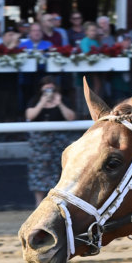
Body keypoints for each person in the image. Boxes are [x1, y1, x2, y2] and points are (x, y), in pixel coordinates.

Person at [25, 76, 75, 206]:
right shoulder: (35, 100)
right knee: (39, 174)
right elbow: (30, 116)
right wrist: (42, 103)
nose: (49, 90)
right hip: (40, 146)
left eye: (51, 86)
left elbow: (71, 117)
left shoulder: (63, 100)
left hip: (59, 144)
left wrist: (59, 104)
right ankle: (38, 205)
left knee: (61, 173)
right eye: (46, 86)